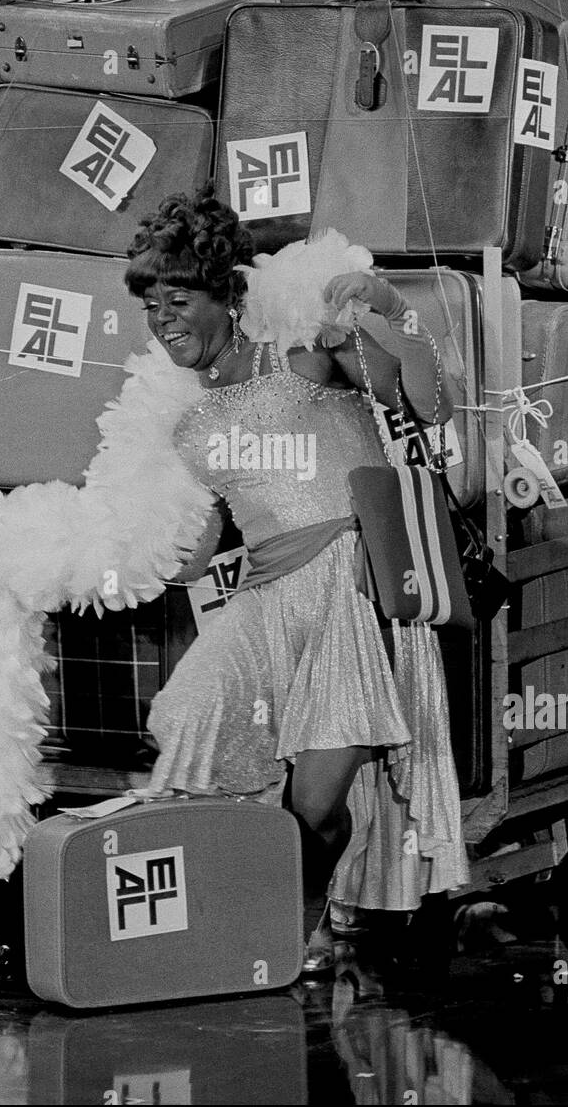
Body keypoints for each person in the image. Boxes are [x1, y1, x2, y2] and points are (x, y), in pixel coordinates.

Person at [125, 185, 468, 969]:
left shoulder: (305, 350)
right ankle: (231, 908)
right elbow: (196, 546)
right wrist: (114, 546)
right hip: (264, 600)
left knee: (313, 807)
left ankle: (296, 926)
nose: (164, 319)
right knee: (184, 716)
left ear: (225, 294)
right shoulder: (182, 417)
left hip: (349, 589)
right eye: (151, 306)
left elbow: (433, 402)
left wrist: (384, 309)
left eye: (178, 299)